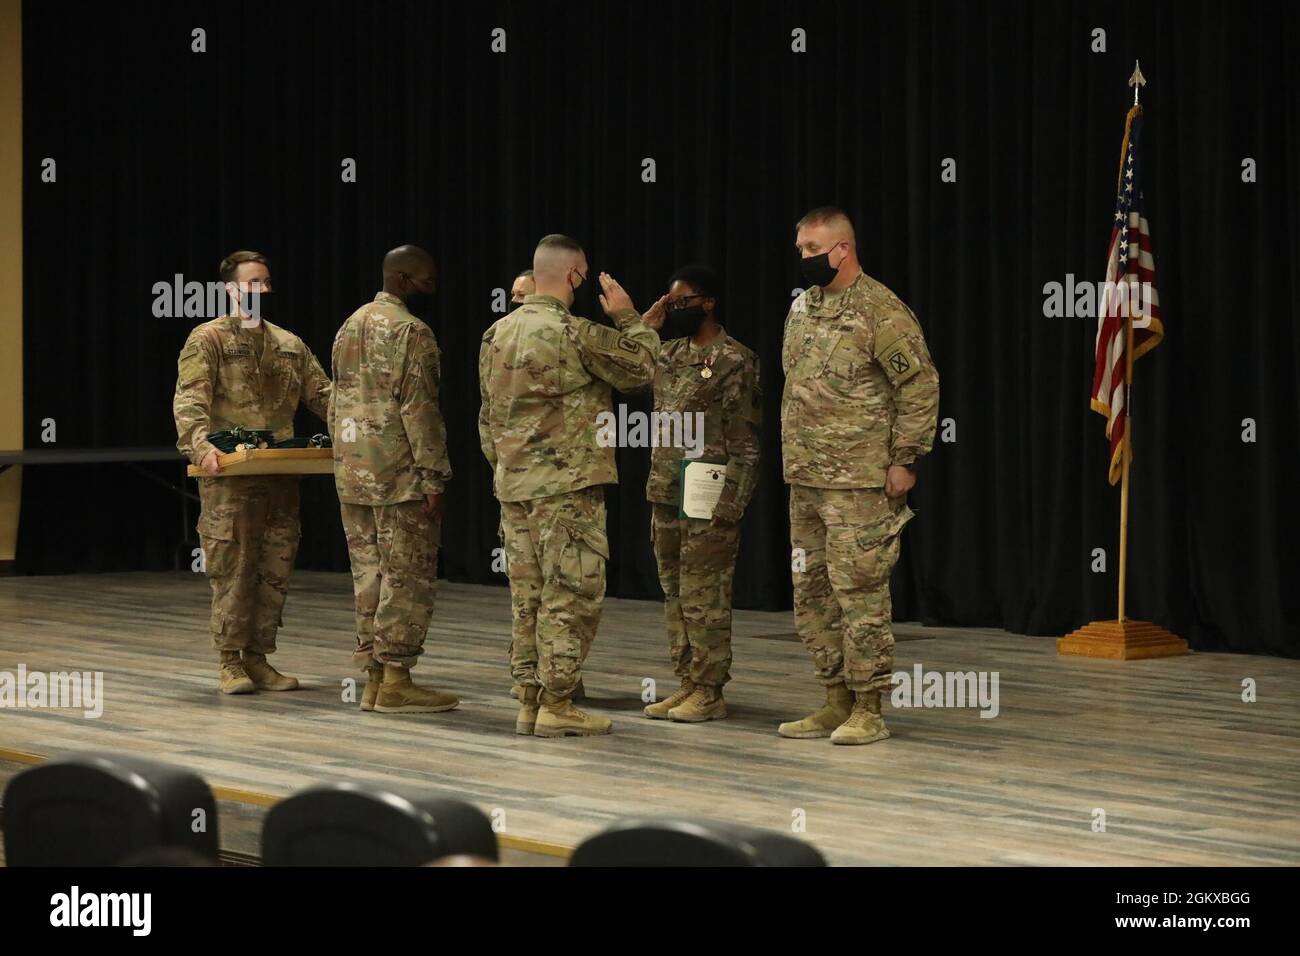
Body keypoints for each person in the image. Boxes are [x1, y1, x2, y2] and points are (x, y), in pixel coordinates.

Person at [479, 234, 657, 737]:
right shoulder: (576, 332)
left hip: (514, 487)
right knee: (571, 592)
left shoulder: (495, 335)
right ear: (576, 275)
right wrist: (628, 317)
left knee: (528, 595)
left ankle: (530, 699)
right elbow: (644, 369)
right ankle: (557, 702)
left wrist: (507, 468)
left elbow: (486, 418)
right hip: (567, 488)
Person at [779, 207, 939, 745]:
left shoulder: (880, 309)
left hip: (859, 482)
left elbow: (917, 387)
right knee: (812, 593)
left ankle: (869, 708)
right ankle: (834, 699)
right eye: (800, 248)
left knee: (860, 595)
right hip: (805, 479)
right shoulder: (801, 309)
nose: (804, 258)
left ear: (842, 249)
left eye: (811, 248)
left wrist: (905, 459)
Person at [174, 250, 331, 694]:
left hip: (280, 477)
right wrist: (199, 446)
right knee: (234, 567)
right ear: (229, 289)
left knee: (274, 567)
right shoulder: (208, 339)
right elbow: (190, 400)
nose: (259, 290)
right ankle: (229, 661)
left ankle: (259, 657)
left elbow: (323, 396)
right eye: (250, 283)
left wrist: (362, 428)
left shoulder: (288, 344)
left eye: (264, 282)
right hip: (230, 477)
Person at [329, 245, 456, 714]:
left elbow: (336, 401)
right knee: (407, 576)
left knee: (369, 575)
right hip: (400, 476)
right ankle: (398, 678)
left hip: (354, 471)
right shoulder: (411, 332)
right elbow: (420, 412)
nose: (432, 289)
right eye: (426, 281)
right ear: (402, 280)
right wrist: (434, 477)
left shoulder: (348, 327)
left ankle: (374, 679)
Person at [635, 265, 760, 722]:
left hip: (709, 494)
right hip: (666, 489)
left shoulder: (735, 359)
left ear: (708, 302)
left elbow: (745, 440)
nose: (675, 310)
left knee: (705, 595)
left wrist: (733, 500)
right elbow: (626, 373)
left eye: (681, 302)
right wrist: (643, 327)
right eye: (670, 304)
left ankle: (710, 689)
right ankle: (686, 680)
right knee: (674, 592)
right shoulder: (667, 356)